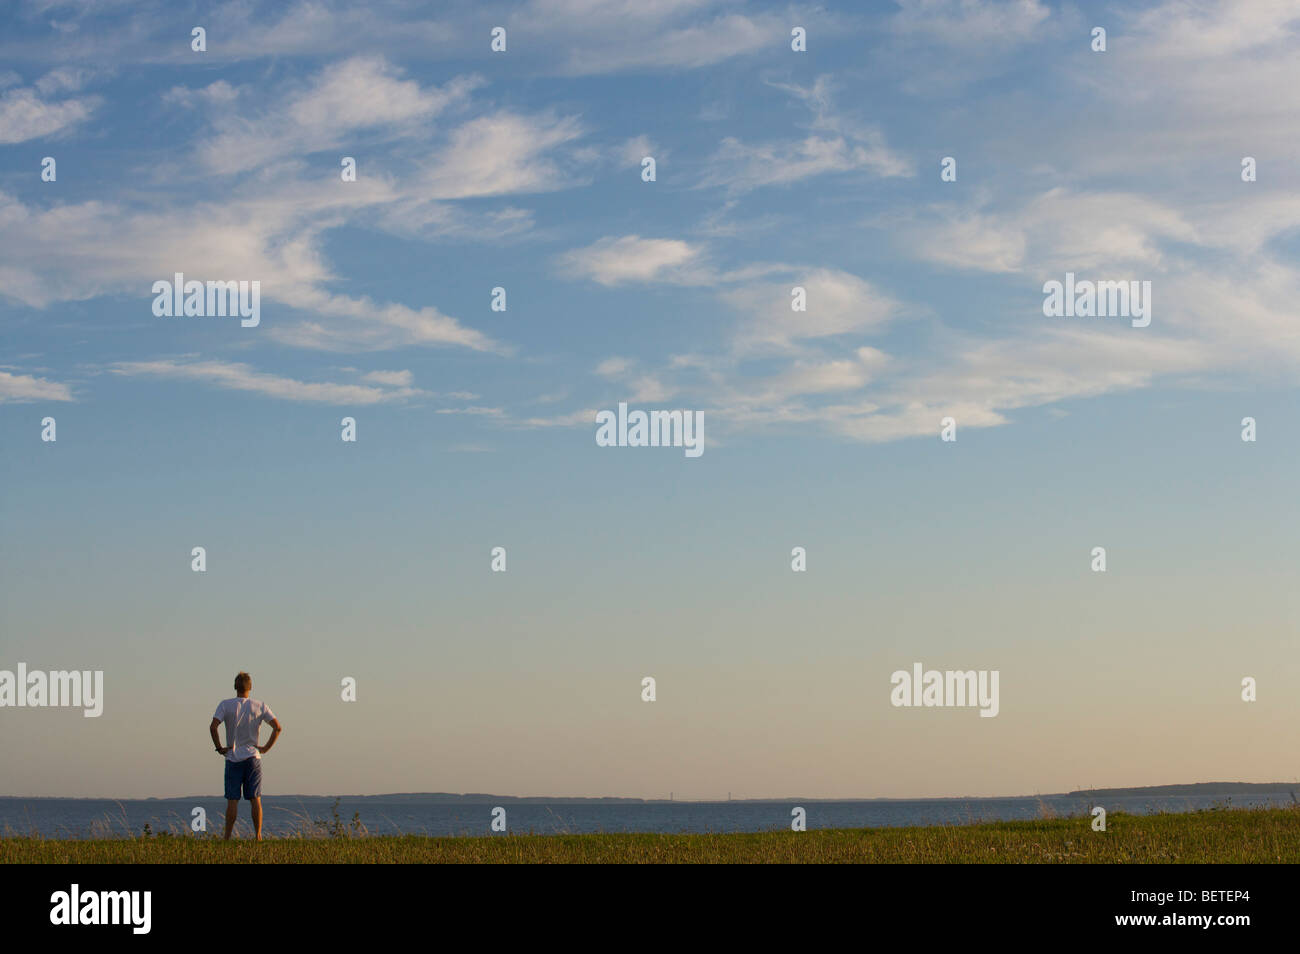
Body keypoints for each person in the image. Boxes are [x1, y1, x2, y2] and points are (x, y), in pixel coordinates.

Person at [209, 672, 282, 840]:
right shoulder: (260, 705)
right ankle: (258, 836)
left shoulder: (225, 705)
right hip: (252, 758)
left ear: (235, 687)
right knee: (255, 799)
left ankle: (227, 837)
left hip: (233, 757)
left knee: (232, 800)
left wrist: (219, 748)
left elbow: (213, 727)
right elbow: (277, 727)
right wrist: (265, 748)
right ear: (251, 687)